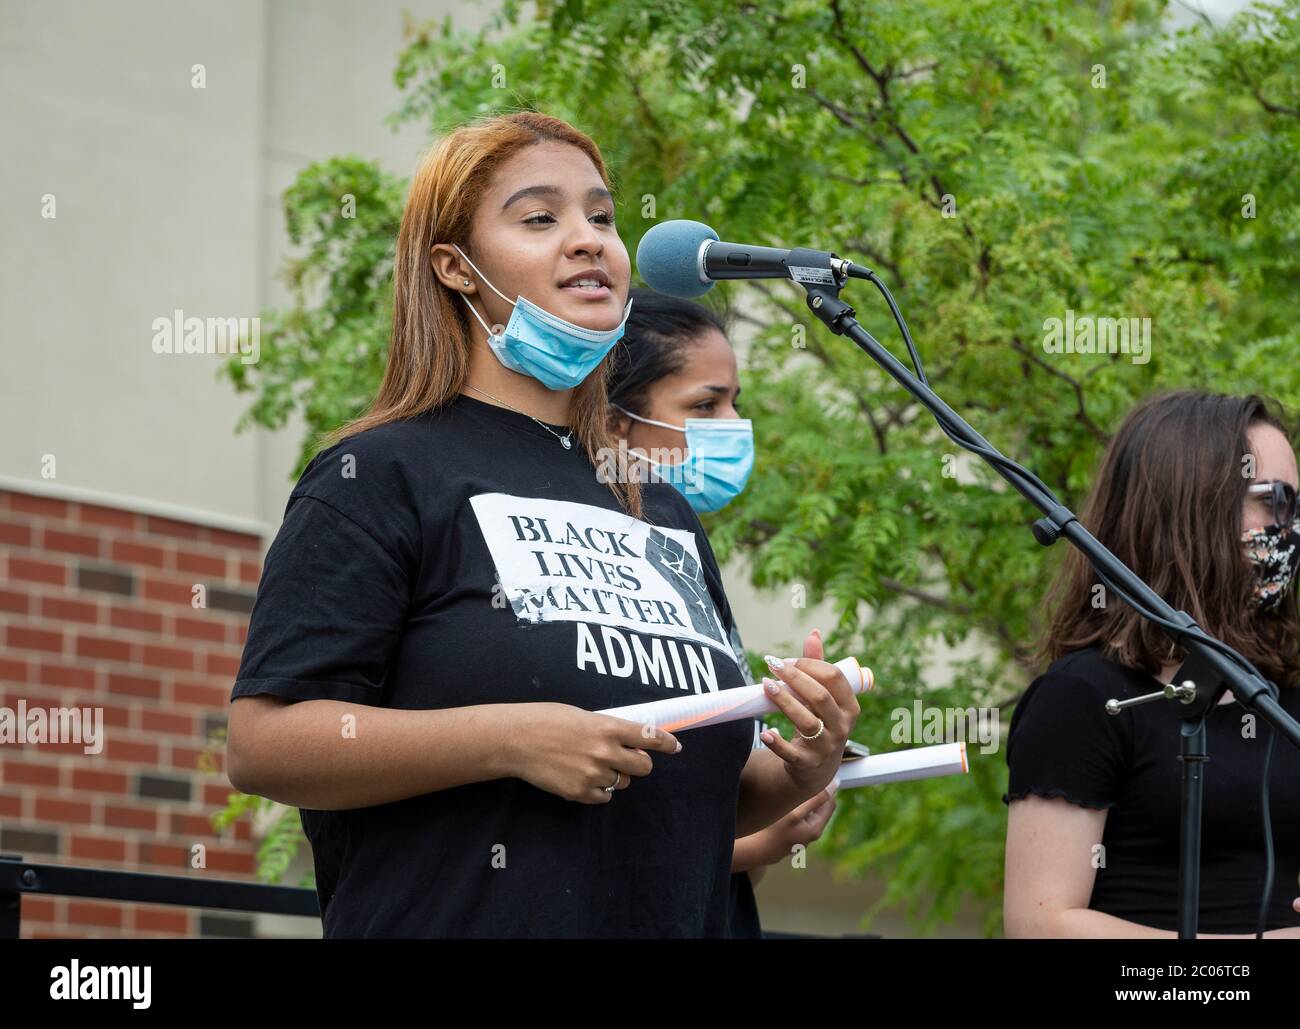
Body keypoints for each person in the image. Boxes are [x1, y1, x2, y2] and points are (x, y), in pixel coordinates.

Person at [224, 111, 861, 938]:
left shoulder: (652, 501)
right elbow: (263, 743)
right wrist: (507, 738)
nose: (589, 239)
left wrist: (801, 760)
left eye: (601, 216)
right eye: (540, 218)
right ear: (454, 268)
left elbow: (705, 797)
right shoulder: (381, 475)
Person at [1004, 390, 1300, 937]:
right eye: (1277, 500)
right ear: (1193, 505)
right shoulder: (1086, 697)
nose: (1292, 527)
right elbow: (1039, 925)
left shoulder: (1288, 690)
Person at [606, 289, 841, 939]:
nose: (733, 424)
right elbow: (602, 835)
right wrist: (759, 842)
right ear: (615, 422)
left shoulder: (683, 546)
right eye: (705, 405)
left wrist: (800, 767)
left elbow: (698, 816)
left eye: (735, 402)